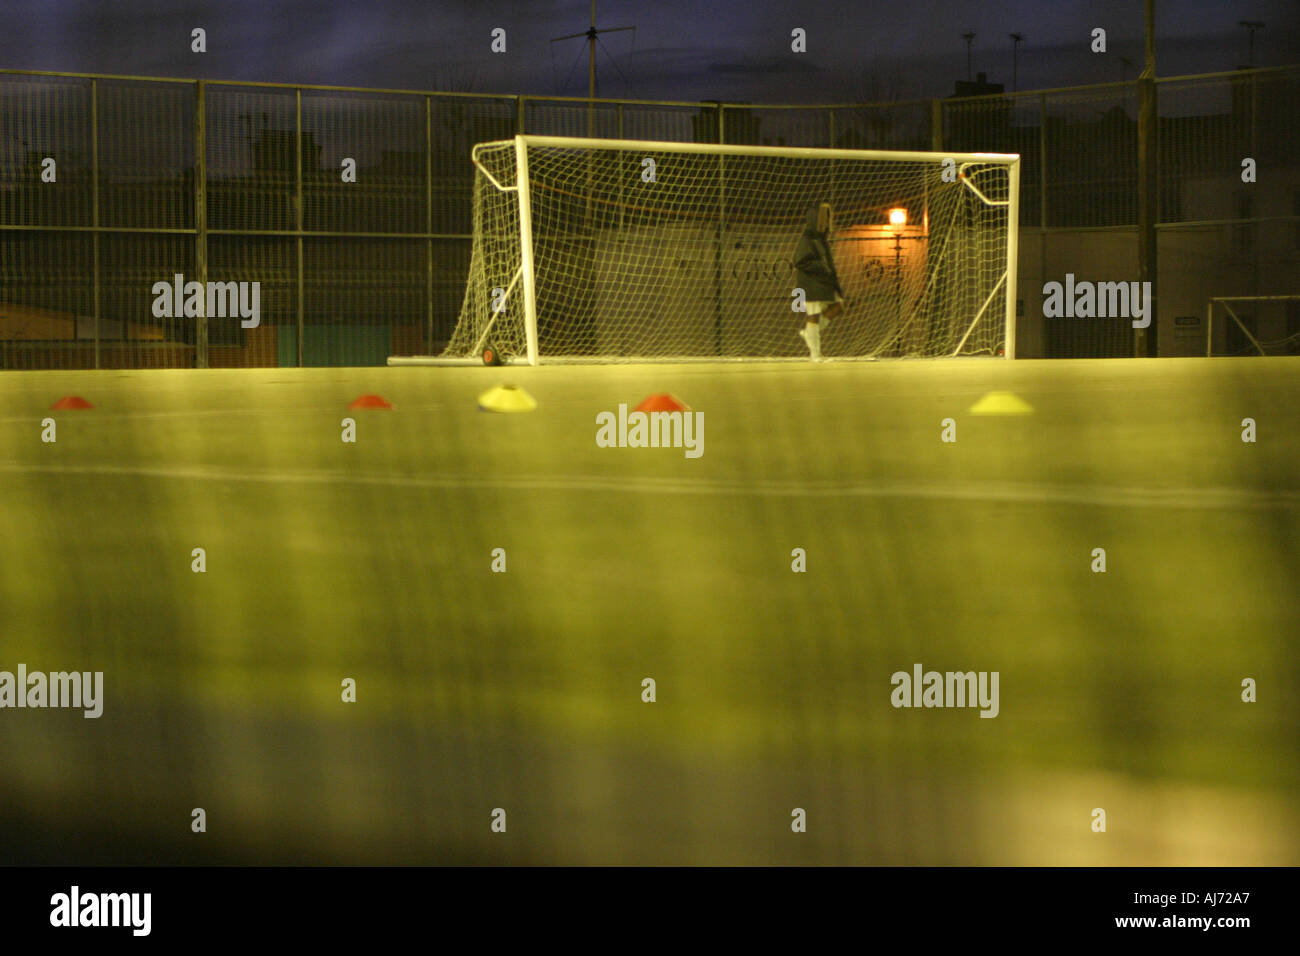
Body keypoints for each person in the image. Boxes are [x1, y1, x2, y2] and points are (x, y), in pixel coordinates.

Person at [793, 201, 845, 361]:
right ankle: (815, 354)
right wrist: (821, 267)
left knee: (838, 306)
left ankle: (809, 334)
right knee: (813, 315)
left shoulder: (821, 239)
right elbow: (799, 260)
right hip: (811, 282)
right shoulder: (808, 238)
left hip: (823, 282)